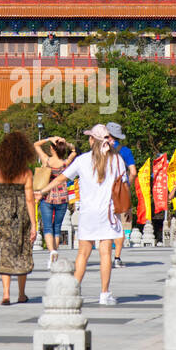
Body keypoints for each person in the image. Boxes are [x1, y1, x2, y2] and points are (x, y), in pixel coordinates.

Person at [43, 124, 125, 306]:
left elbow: (61, 178)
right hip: (108, 212)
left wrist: (43, 190)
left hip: (87, 213)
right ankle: (104, 294)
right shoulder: (117, 160)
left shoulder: (82, 160)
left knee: (83, 254)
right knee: (106, 254)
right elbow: (122, 183)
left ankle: (73, 291)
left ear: (91, 140)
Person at [0, 131, 37, 304]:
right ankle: (21, 293)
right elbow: (30, 199)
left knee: (6, 251)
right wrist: (34, 224)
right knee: (23, 251)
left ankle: (6, 294)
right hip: (22, 214)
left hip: (4, 214)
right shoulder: (26, 173)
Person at [34, 136, 76, 268]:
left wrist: (49, 138)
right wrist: (65, 143)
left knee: (47, 227)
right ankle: (55, 253)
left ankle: (51, 251)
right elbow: (74, 150)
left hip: (47, 196)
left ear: (52, 149)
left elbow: (35, 145)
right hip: (62, 197)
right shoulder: (65, 163)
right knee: (57, 227)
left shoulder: (46, 161)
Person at [105, 122, 136, 269]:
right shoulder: (125, 151)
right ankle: (116, 257)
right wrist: (126, 186)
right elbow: (134, 172)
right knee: (119, 225)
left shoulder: (100, 150)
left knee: (103, 225)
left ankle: (104, 257)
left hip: (102, 192)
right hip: (119, 192)